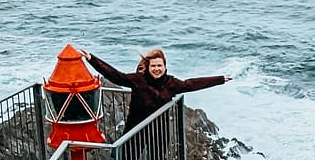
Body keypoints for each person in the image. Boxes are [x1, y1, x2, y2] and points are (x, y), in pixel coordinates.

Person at [86, 47, 229, 135]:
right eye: (153, 66)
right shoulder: (138, 80)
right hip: (135, 129)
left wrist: (220, 79)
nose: (156, 68)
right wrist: (92, 59)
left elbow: (192, 84)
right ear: (148, 67)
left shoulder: (171, 83)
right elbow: (116, 76)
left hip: (159, 131)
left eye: (159, 65)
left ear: (165, 67)